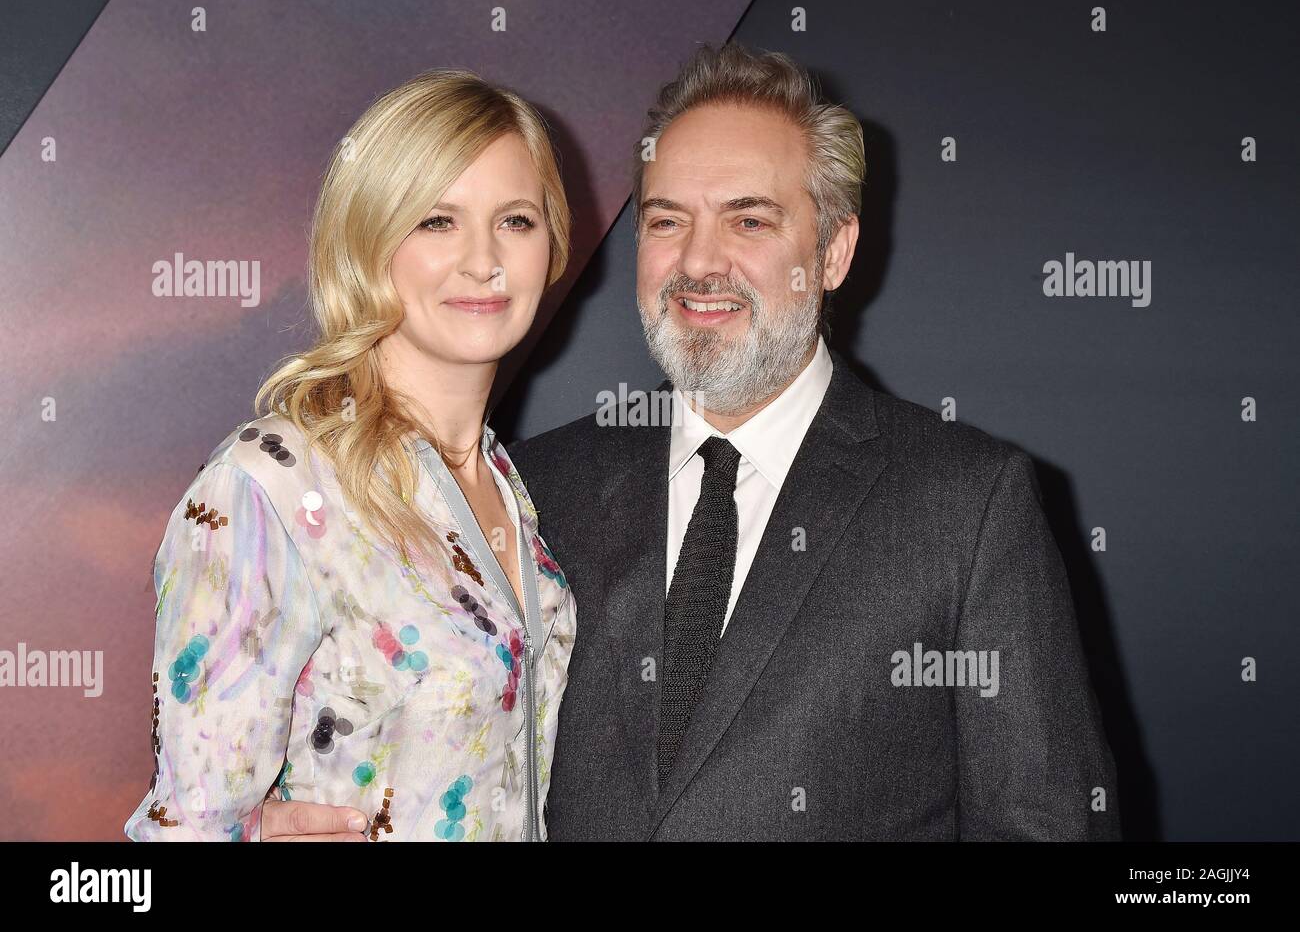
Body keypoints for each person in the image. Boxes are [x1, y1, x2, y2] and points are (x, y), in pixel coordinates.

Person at [263, 43, 1120, 842]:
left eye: (749, 222)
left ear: (833, 251)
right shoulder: (528, 491)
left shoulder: (966, 506)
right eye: (669, 220)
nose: (699, 262)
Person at [124, 68, 576, 842]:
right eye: (436, 221)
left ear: (552, 243)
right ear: (368, 243)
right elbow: (182, 833)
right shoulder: (270, 488)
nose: (483, 259)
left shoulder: (506, 484)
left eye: (516, 220)